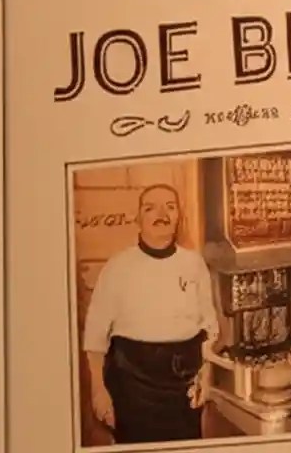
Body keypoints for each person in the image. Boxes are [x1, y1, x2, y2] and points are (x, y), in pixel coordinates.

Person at [82, 183, 219, 443]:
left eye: (170, 207)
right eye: (150, 208)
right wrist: (98, 390)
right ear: (138, 219)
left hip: (184, 385)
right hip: (132, 384)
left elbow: (209, 327)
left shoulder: (194, 263)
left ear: (179, 217)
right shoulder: (118, 266)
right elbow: (95, 336)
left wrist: (206, 374)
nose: (162, 214)